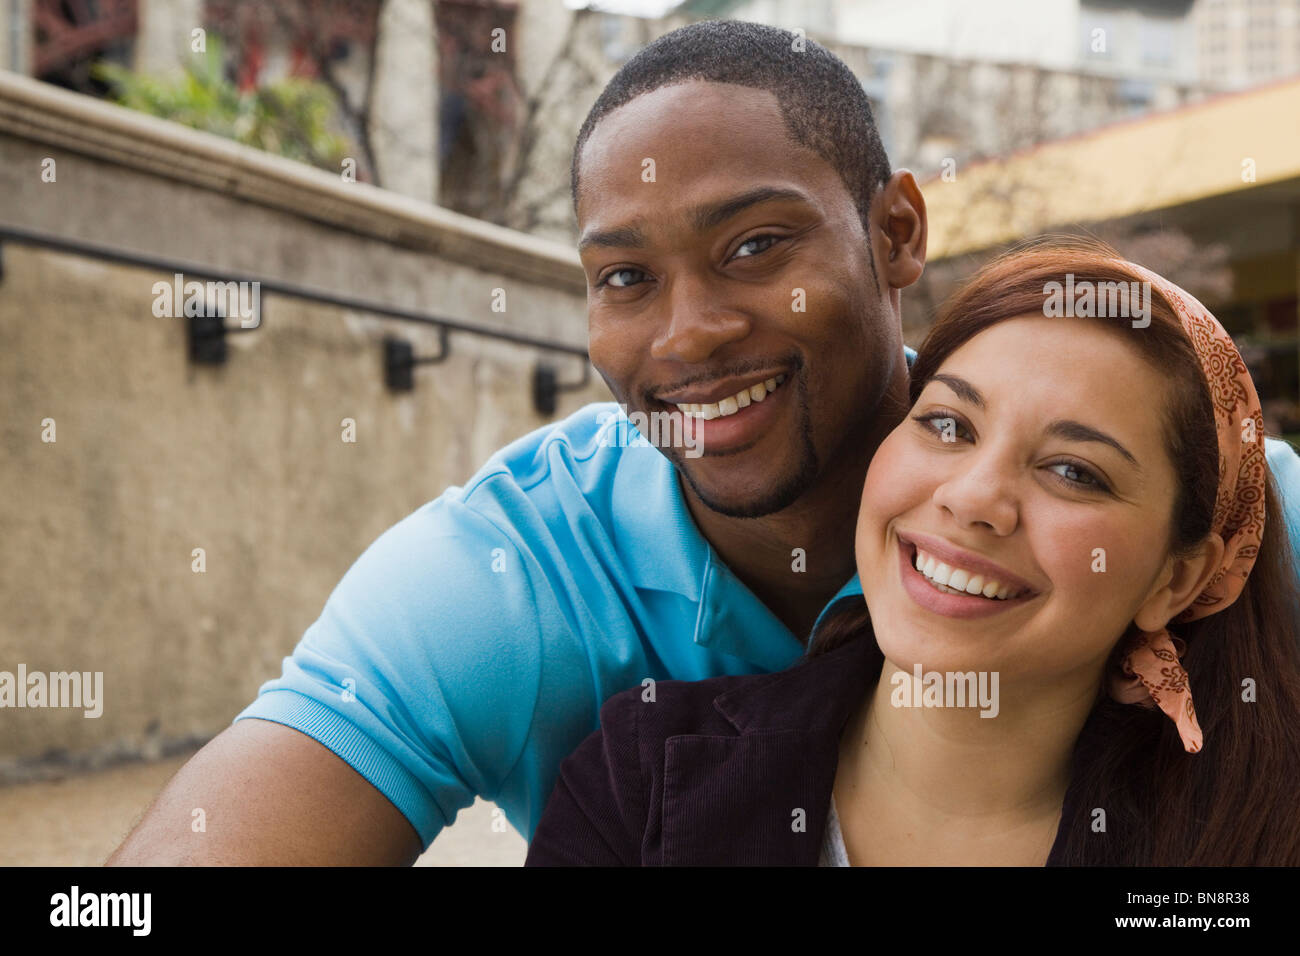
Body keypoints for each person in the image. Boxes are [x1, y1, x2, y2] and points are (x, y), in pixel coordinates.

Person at [107, 22, 1300, 866]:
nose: (690, 335)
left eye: (753, 247)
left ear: (894, 234)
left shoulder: (1223, 516)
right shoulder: (512, 574)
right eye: (625, 275)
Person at [524, 240, 1300, 866]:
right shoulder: (638, 782)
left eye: (1074, 471)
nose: (972, 498)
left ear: (1178, 578)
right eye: (950, 425)